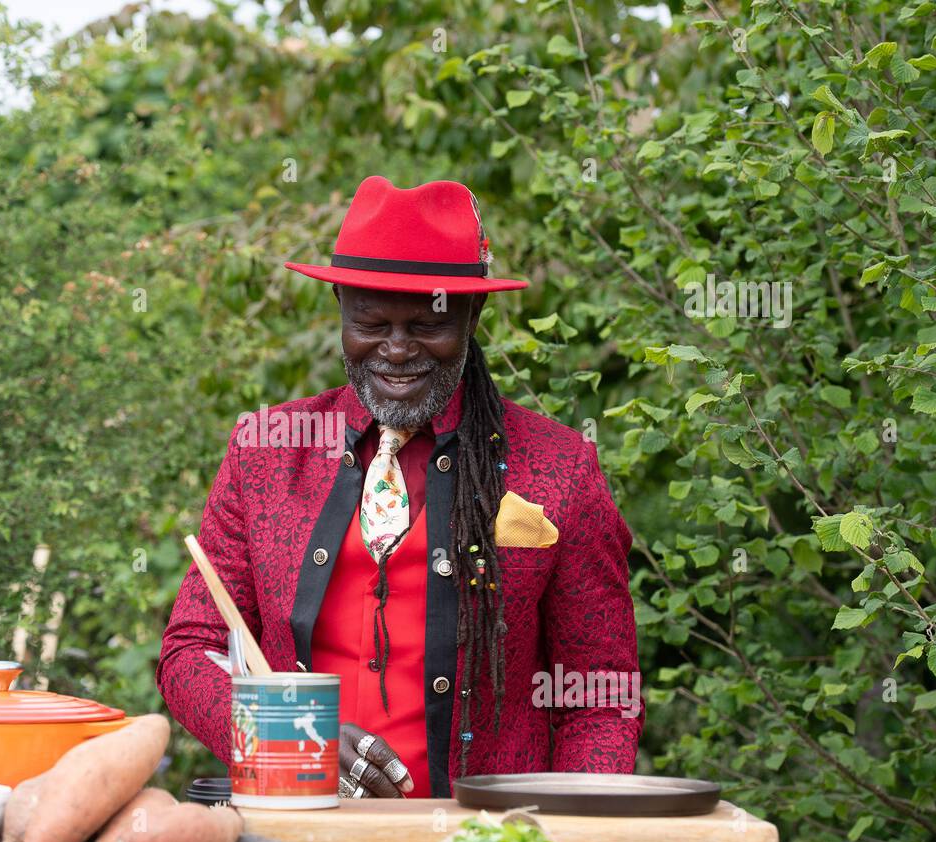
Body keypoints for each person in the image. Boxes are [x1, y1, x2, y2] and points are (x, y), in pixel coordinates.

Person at [158, 175, 643, 798]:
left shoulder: (559, 465)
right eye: (371, 322)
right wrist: (295, 737)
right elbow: (190, 650)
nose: (395, 350)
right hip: (296, 836)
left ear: (473, 315)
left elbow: (601, 696)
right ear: (340, 311)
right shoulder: (265, 450)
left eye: (425, 326)